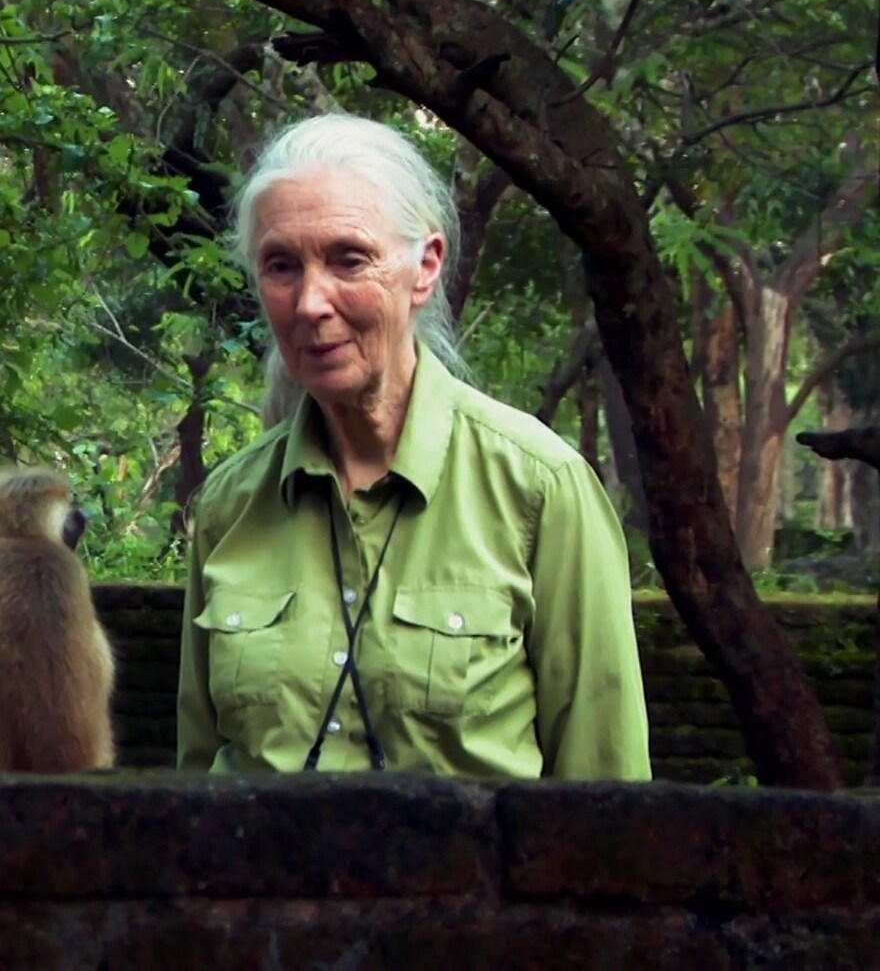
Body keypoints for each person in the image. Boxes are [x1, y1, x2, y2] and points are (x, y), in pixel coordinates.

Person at [176, 112, 651, 782]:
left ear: (425, 267)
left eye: (349, 258)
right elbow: (196, 786)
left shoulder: (541, 490)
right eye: (281, 266)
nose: (311, 302)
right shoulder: (229, 507)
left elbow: (609, 796)